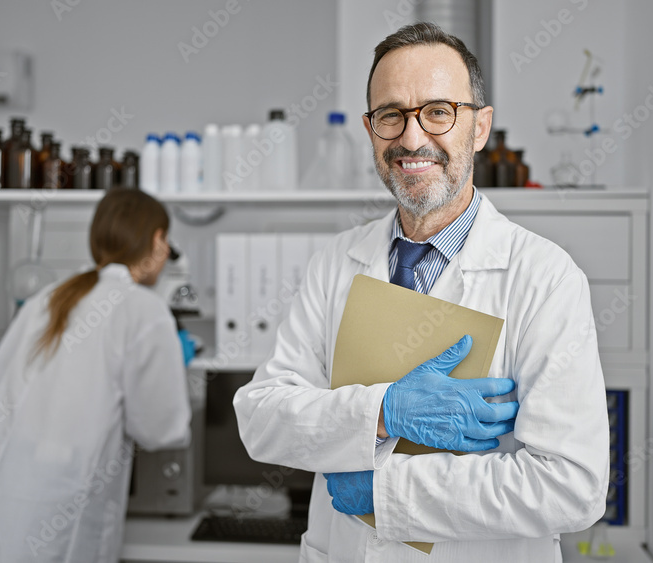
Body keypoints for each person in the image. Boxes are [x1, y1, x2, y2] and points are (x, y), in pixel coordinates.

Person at [234, 22, 609, 562]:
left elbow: (572, 486)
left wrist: (388, 495)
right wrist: (385, 410)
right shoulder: (334, 263)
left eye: (438, 112)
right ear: (370, 130)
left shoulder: (545, 278)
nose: (412, 139)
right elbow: (262, 419)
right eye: (391, 115)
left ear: (479, 128)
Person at [0, 189, 192, 563]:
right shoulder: (144, 310)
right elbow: (160, 429)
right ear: (157, 240)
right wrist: (173, 364)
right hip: (62, 516)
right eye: (166, 240)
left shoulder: (47, 299)